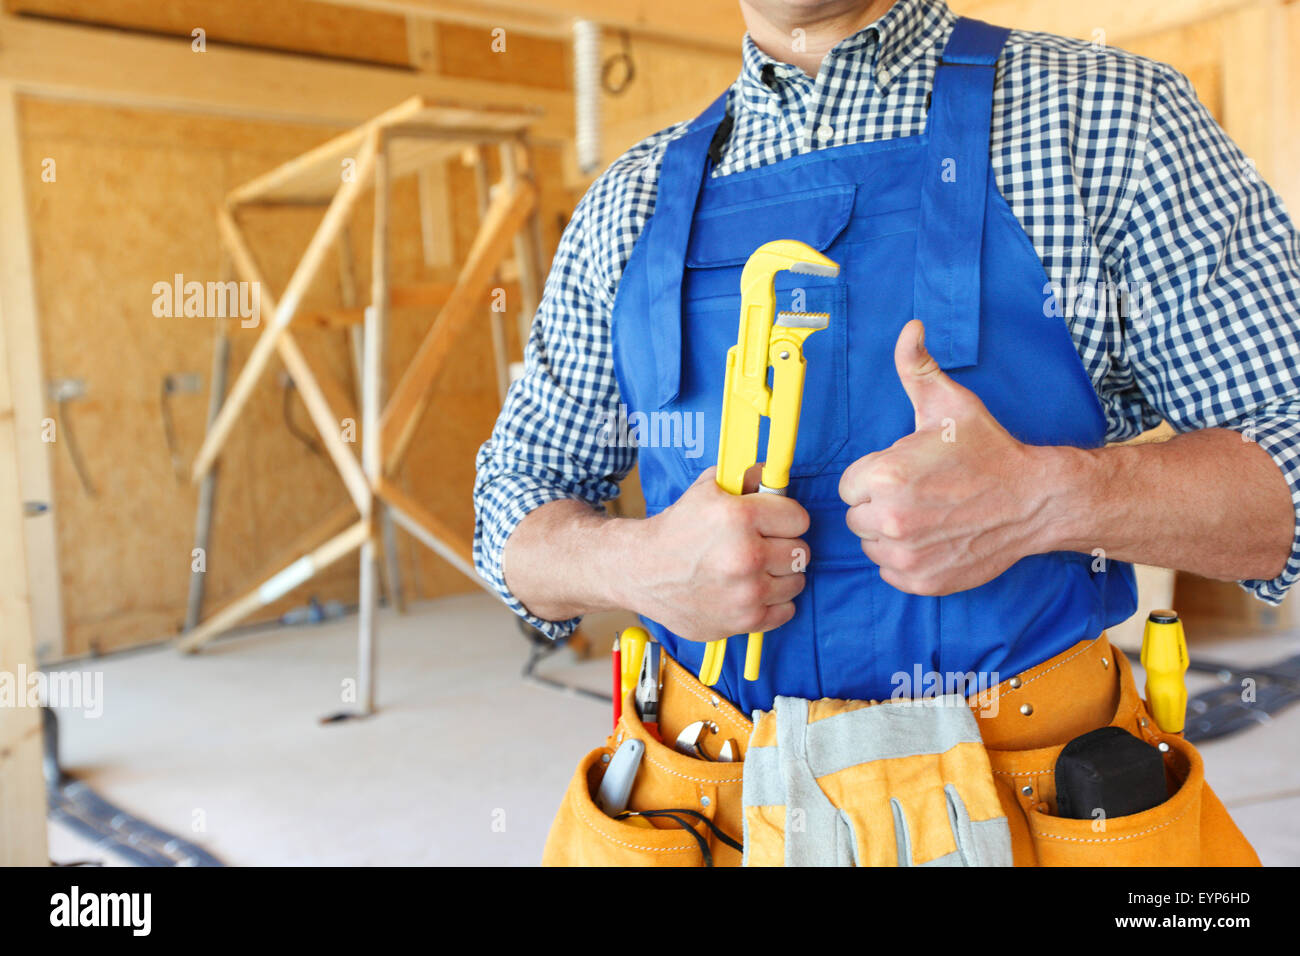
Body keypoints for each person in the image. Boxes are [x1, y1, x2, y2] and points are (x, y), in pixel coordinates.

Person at [474, 0, 1298, 865]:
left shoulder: (1110, 119)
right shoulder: (625, 206)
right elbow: (511, 512)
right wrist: (635, 565)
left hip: (1047, 796)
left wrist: (1048, 498)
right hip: (707, 807)